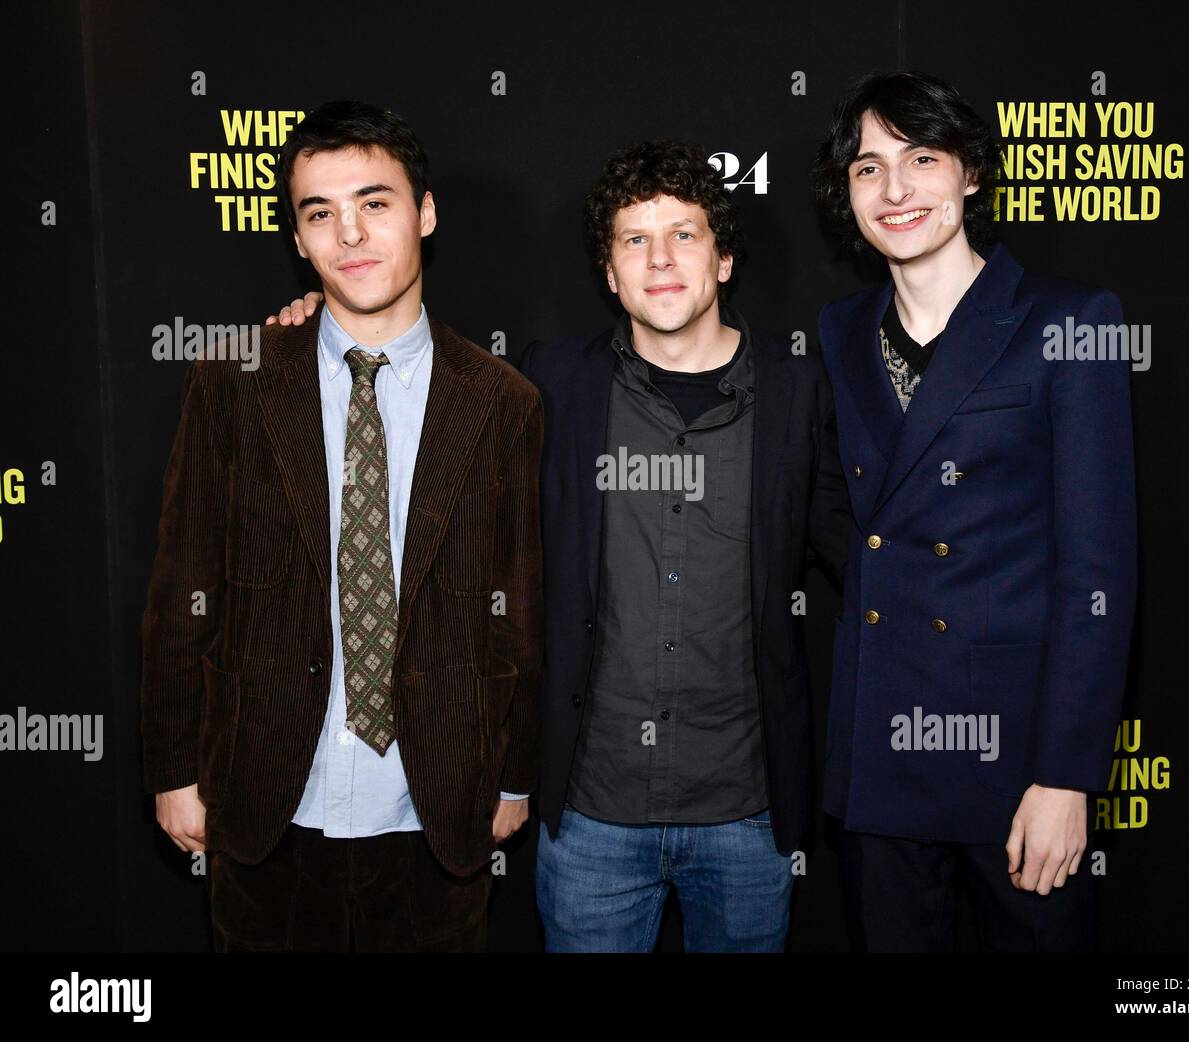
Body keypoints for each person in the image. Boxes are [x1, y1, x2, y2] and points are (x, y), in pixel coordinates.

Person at [270, 139, 852, 952]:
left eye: (684, 235)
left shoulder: (801, 397)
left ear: (724, 261)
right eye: (633, 242)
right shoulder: (548, 387)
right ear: (609, 275)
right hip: (588, 816)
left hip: (748, 814)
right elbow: (410, 370)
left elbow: (869, 561)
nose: (660, 261)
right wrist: (314, 321)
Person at [140, 99, 543, 952]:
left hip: (434, 806)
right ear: (297, 239)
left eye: (375, 203)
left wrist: (513, 773)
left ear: (425, 213)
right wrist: (174, 768)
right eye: (320, 213)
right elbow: (184, 586)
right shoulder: (235, 382)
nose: (350, 234)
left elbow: (519, 604)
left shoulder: (503, 400)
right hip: (269, 805)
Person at [811, 70, 1137, 952]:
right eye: (868, 168)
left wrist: (1066, 777)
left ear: (970, 175)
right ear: (847, 196)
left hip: (1016, 760)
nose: (897, 189)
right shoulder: (840, 331)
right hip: (880, 746)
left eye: (922, 158)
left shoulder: (1069, 320)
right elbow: (833, 500)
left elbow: (1098, 573)